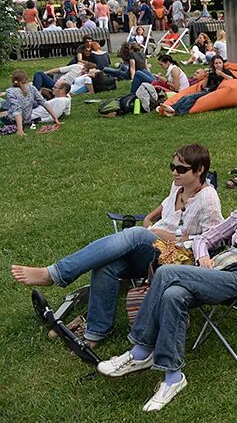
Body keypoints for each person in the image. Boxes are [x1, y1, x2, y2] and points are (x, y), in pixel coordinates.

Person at [95, 169, 237, 412]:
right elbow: (206, 238)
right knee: (173, 295)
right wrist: (203, 256)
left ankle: (140, 349)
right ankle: (173, 377)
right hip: (220, 270)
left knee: (166, 273)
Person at [11, 144, 222, 349]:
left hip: (173, 257)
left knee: (136, 234)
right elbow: (167, 203)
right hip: (150, 247)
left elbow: (214, 239)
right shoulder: (179, 185)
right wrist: (150, 217)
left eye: (181, 169)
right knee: (107, 264)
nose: (175, 173)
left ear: (200, 170)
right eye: (172, 167)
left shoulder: (208, 198)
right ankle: (96, 330)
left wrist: (171, 237)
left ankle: (54, 274)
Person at [160, 57, 237, 116]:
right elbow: (204, 86)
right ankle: (172, 107)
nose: (218, 65)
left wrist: (221, 74)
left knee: (191, 97)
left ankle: (177, 112)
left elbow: (232, 79)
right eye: (216, 63)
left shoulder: (225, 71)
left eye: (220, 63)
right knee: (186, 96)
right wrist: (207, 77)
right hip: (206, 90)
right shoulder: (212, 72)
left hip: (214, 92)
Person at [3, 70, 61, 135]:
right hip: (27, 121)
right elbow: (44, 103)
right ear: (26, 79)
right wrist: (55, 118)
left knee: (4, 105)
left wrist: (20, 130)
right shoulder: (32, 88)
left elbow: (17, 110)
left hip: (13, 121)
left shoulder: (10, 91)